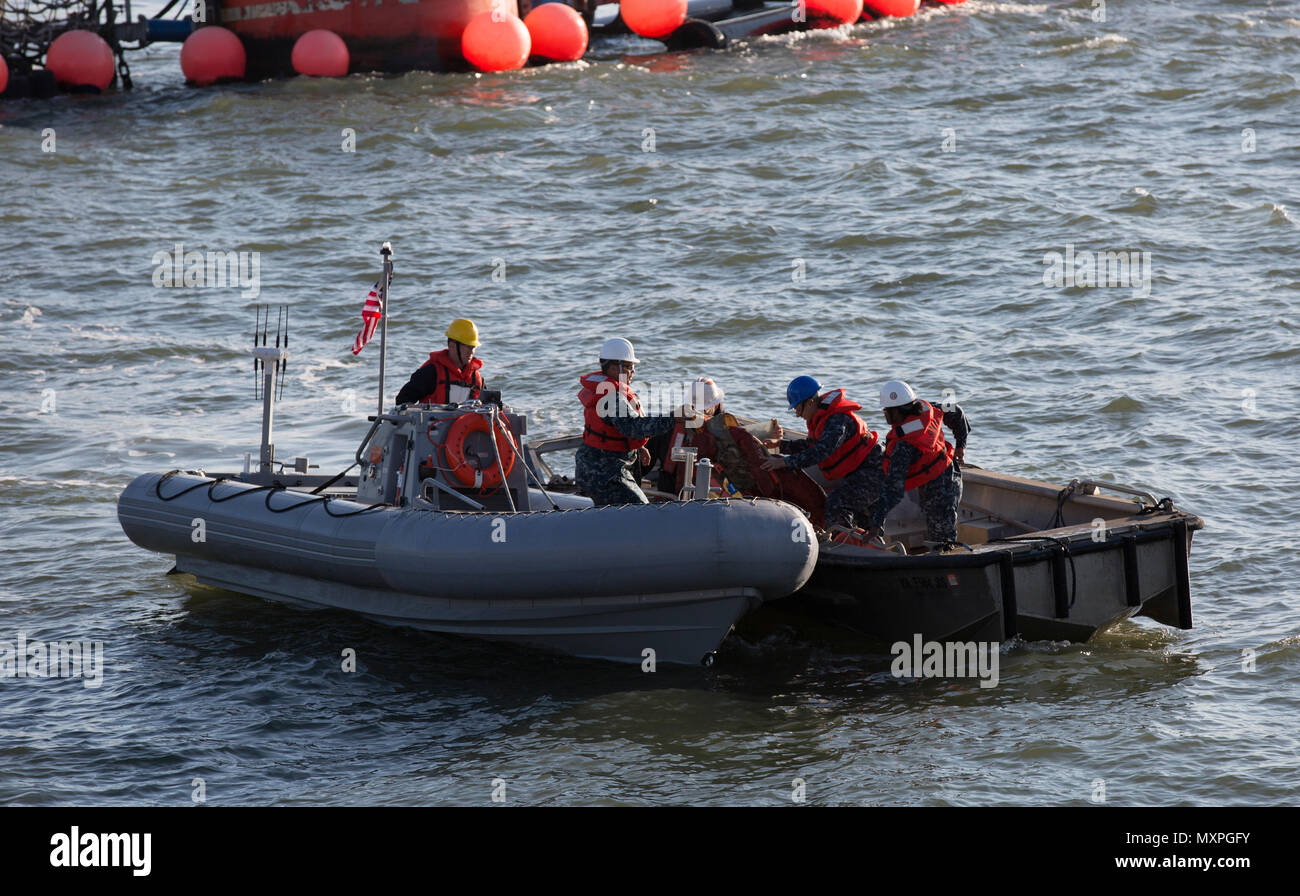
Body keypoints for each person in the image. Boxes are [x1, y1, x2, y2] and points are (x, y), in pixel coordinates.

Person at [760, 376, 884, 531]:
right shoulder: (823, 417)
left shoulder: (837, 420)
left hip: (875, 471)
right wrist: (780, 445)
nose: (797, 414)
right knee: (865, 520)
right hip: (862, 472)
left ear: (810, 402)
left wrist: (784, 462)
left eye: (798, 409)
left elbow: (821, 452)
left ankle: (843, 546)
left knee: (836, 503)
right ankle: (866, 547)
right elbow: (811, 445)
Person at [575, 338, 687, 506]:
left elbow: (616, 425)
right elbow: (635, 427)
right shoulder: (611, 397)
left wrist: (638, 447)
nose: (633, 372)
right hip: (605, 473)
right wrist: (674, 417)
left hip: (597, 465)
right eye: (629, 367)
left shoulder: (605, 390)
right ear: (614, 367)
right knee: (641, 511)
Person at [866, 379, 971, 551]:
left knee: (943, 541)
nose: (884, 413)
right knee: (940, 530)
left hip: (940, 488)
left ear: (897, 411)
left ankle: (948, 570)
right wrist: (961, 445)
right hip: (949, 473)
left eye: (885, 410)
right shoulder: (927, 408)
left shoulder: (904, 444)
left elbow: (893, 489)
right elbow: (956, 411)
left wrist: (877, 526)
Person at [394, 318, 486, 406]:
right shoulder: (430, 373)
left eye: (473, 347)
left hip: (469, 422)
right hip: (432, 422)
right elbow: (402, 401)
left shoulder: (477, 379)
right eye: (467, 346)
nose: (471, 351)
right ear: (452, 345)